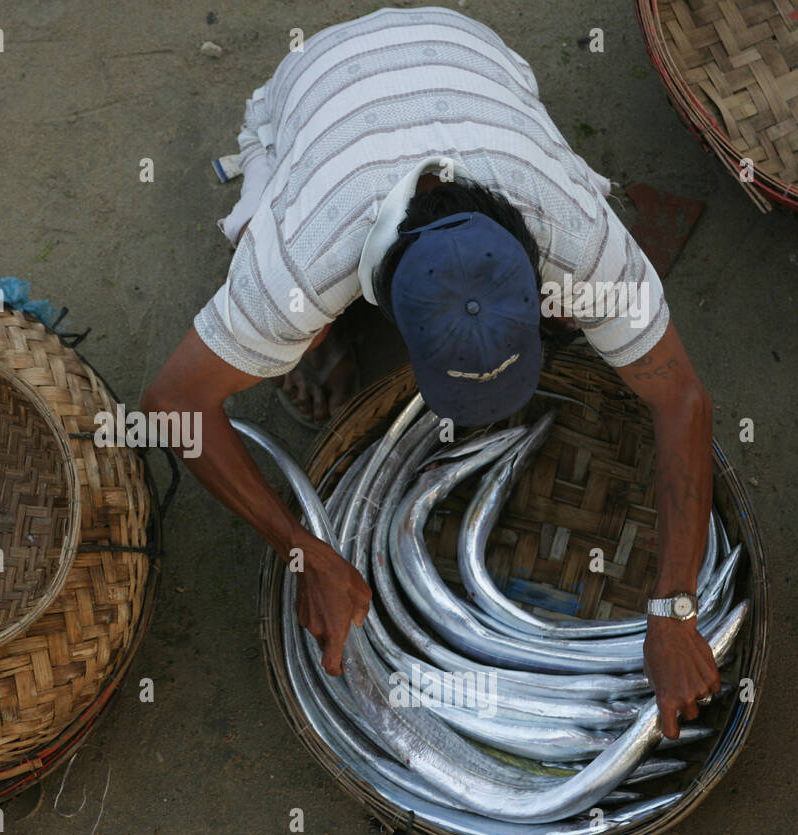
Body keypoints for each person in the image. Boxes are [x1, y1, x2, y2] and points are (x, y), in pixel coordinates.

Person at [141, 7, 718, 739]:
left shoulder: (580, 237)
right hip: (317, 87)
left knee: (595, 308)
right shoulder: (296, 265)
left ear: (534, 262)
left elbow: (682, 398)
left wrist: (673, 609)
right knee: (287, 327)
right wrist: (302, 550)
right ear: (390, 312)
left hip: (468, 47)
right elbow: (171, 400)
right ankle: (318, 337)